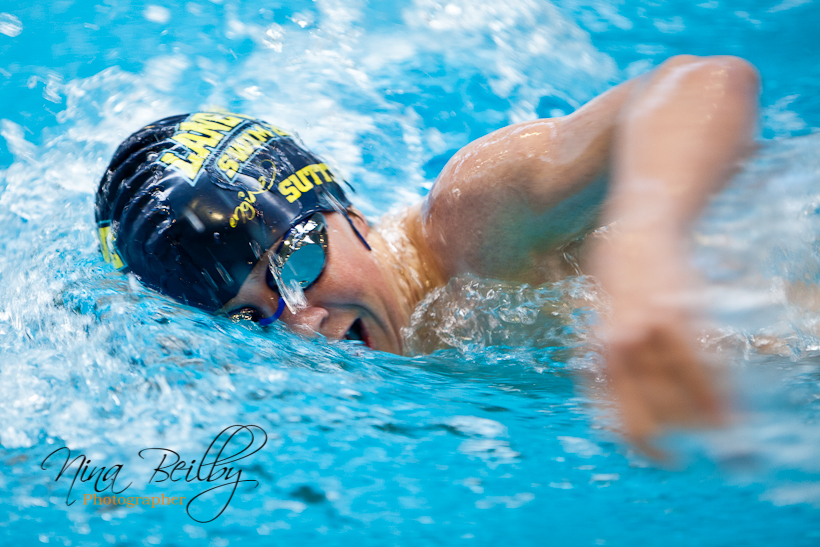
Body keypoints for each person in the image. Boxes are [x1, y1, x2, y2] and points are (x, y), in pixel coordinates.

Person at [95, 54, 760, 448]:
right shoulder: (305, 371)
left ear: (344, 211)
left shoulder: (475, 223)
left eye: (295, 259)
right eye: (246, 316)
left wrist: (646, 242)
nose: (300, 324)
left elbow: (705, 85)